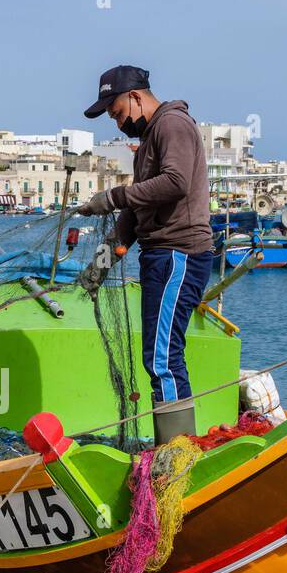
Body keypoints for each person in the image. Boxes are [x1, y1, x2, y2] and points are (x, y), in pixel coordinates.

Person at [76, 65, 215, 443]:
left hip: (179, 255)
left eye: (118, 113)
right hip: (160, 258)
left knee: (163, 358)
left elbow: (174, 183)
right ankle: (170, 447)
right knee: (159, 355)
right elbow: (136, 214)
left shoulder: (173, 125)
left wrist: (112, 196)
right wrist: (102, 263)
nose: (117, 123)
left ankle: (177, 454)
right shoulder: (150, 138)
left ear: (136, 97)